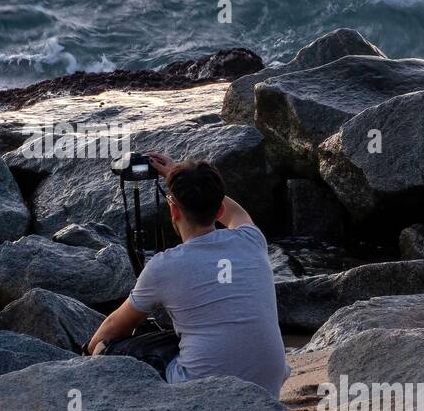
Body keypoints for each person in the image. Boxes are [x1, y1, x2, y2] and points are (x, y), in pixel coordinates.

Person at [86, 152, 290, 397]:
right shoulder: (251, 239)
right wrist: (176, 171)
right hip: (268, 386)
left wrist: (86, 355)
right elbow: (235, 213)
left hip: (202, 391)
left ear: (173, 210)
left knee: (104, 349)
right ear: (219, 208)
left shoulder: (163, 266)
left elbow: (115, 325)